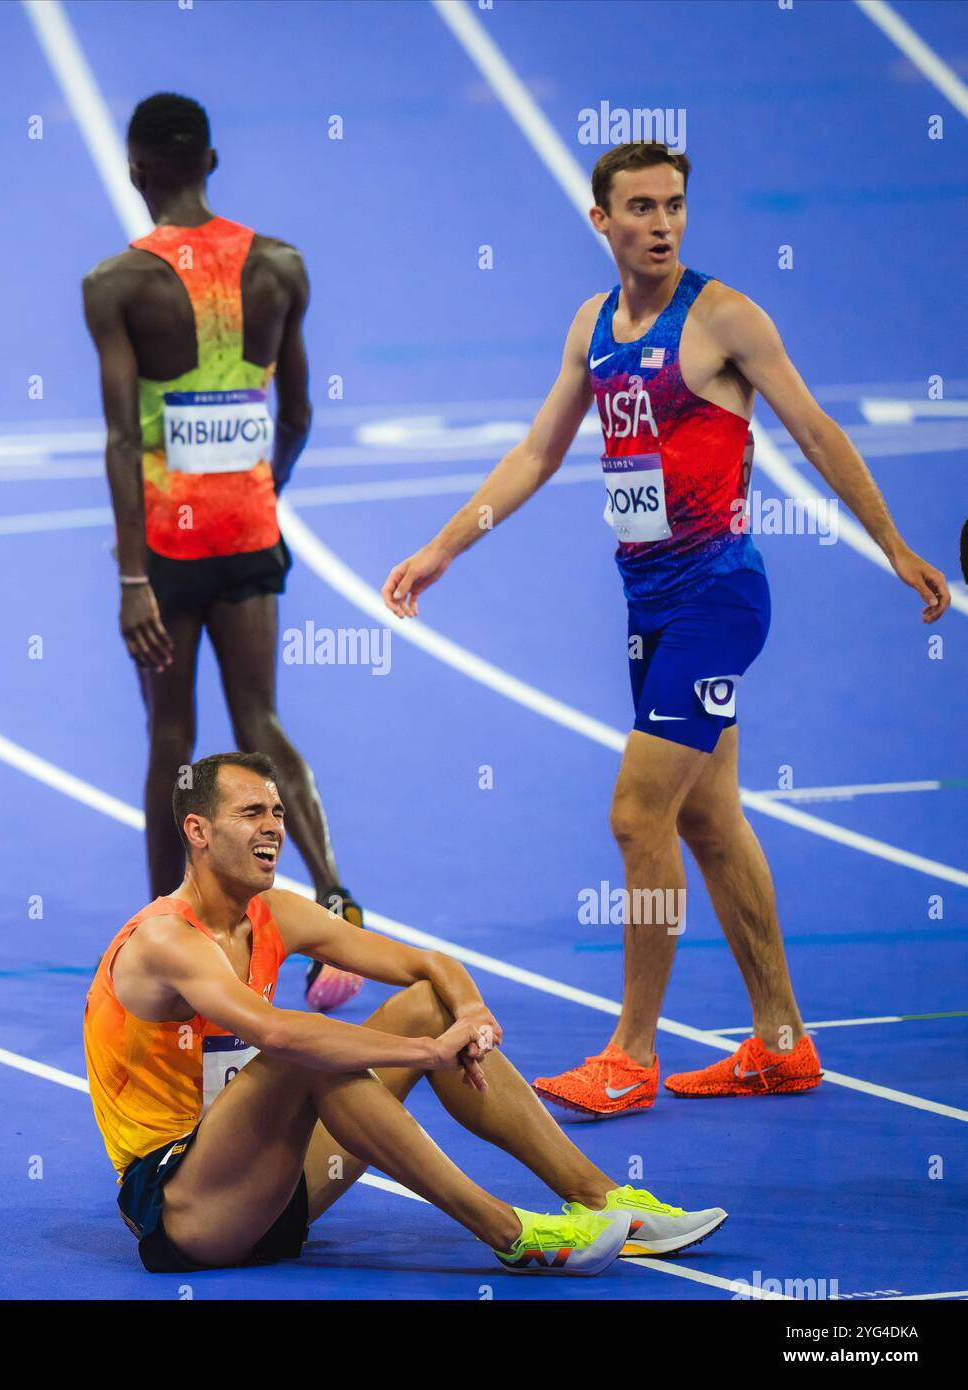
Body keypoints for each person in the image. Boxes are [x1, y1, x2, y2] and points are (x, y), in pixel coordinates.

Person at [381, 142, 950, 1117]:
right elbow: (536, 451)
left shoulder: (724, 317)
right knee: (708, 816)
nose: (660, 223)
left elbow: (815, 429)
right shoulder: (593, 328)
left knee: (636, 815)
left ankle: (629, 1054)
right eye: (639, 207)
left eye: (674, 205)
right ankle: (780, 1041)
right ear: (599, 220)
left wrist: (892, 544)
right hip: (646, 601)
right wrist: (444, 547)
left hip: (716, 601)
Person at [83, 751, 728, 1274]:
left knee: (424, 1007)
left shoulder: (274, 914)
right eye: (252, 813)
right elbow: (276, 1031)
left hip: (276, 1188)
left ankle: (605, 1199)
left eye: (278, 812)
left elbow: (429, 964)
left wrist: (468, 1014)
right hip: (185, 1210)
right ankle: (509, 1232)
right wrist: (425, 1055)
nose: (274, 827)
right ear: (197, 831)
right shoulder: (166, 941)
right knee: (300, 1054)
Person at [82, 92, 362, 1011]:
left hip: (166, 548)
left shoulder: (117, 285)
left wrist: (132, 581)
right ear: (212, 161)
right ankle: (335, 896)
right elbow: (300, 414)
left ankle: (164, 932)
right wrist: (260, 486)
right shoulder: (281, 267)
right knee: (262, 728)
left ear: (137, 172)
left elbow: (124, 441)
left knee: (172, 738)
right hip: (248, 534)